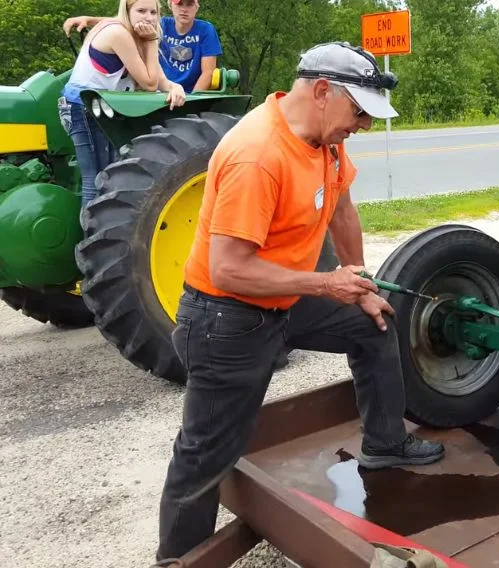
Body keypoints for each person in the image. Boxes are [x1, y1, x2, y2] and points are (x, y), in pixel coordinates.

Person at [153, 42, 445, 562]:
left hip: (284, 298)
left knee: (372, 323)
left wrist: (358, 281)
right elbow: (229, 268)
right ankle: (178, 558)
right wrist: (325, 284)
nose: (364, 126)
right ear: (322, 91)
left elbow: (343, 209)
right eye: (359, 112)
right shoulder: (257, 155)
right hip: (226, 318)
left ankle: (384, 443)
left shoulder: (325, 140)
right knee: (205, 452)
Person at [59, 0, 186, 210]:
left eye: (153, 12)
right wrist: (152, 41)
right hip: (81, 107)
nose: (149, 17)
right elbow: (149, 83)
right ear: (127, 12)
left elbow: (160, 81)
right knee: (95, 180)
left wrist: (175, 88)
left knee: (109, 177)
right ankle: (91, 242)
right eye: (141, 11)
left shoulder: (134, 36)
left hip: (101, 109)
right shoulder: (119, 34)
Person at [64, 0, 223, 93]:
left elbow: (208, 72)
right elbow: (128, 21)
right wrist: (89, 19)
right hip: (159, 92)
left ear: (197, 6)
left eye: (189, 4)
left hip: (187, 92)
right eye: (180, 4)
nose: (184, 9)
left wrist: (192, 101)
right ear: (170, 5)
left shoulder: (205, 30)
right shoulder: (161, 25)